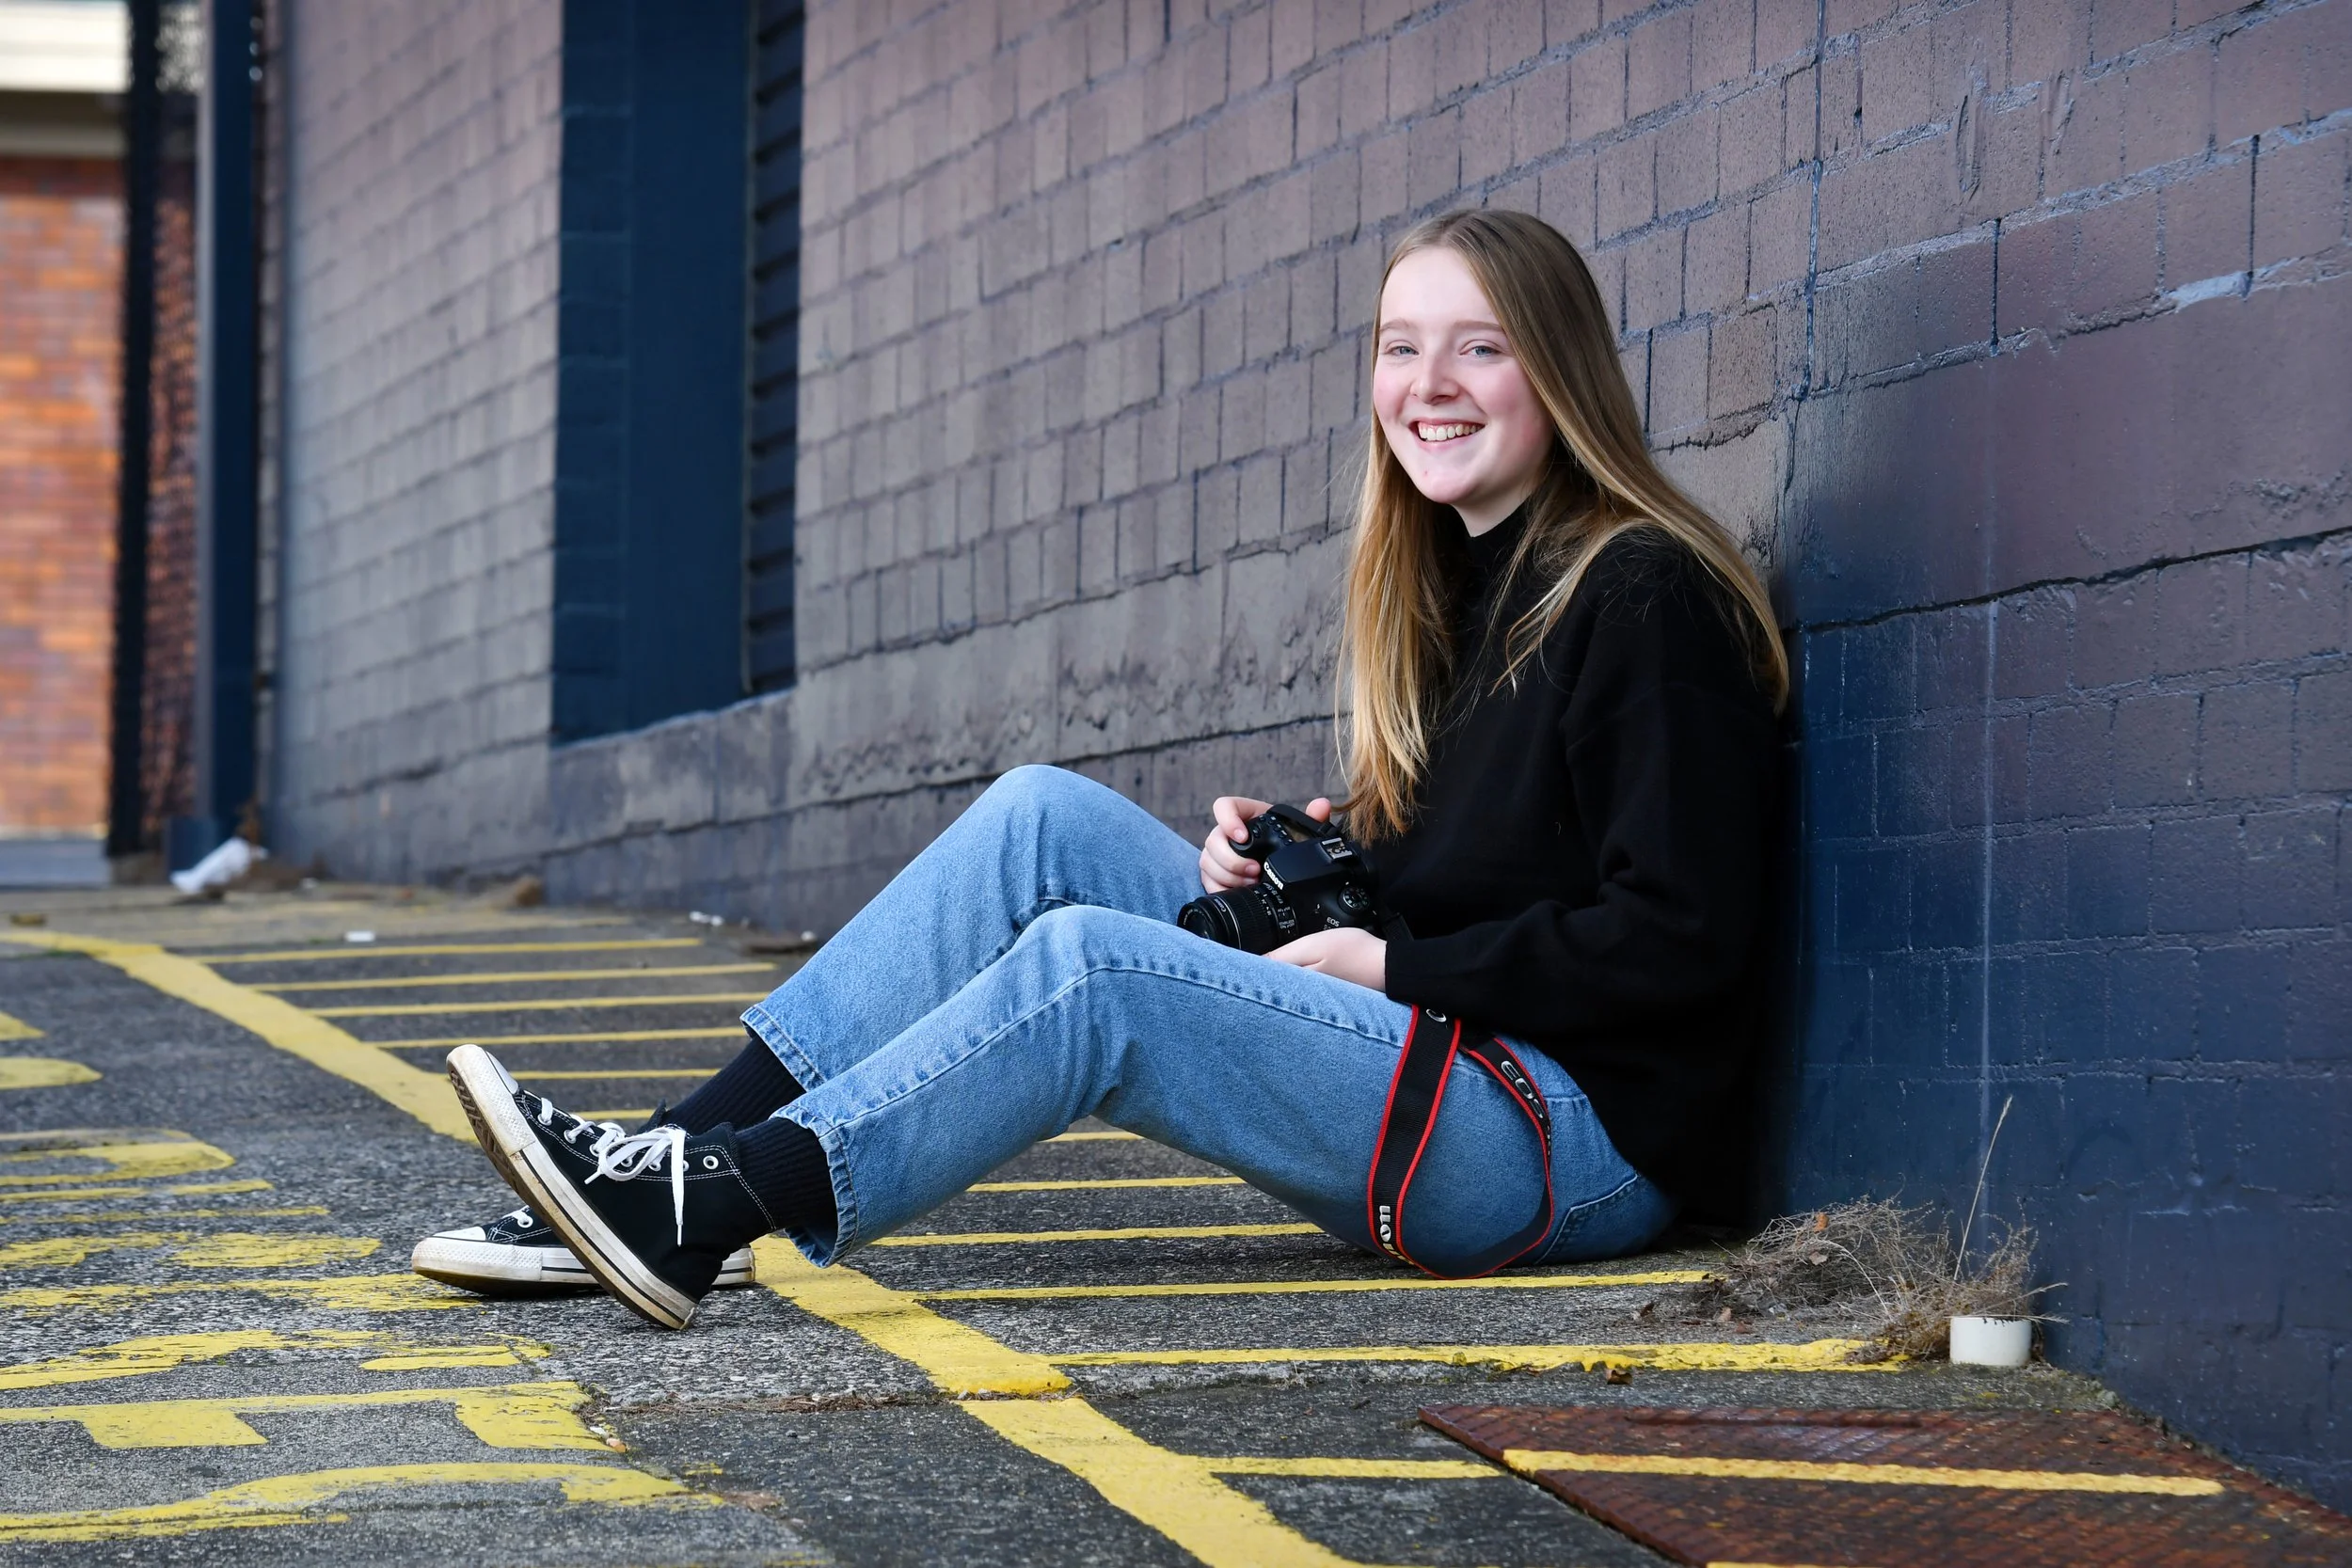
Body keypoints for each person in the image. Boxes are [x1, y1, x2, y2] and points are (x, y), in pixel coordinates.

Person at [417, 209, 1789, 1330]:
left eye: (1478, 350)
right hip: (1454, 1059)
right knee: (1039, 819)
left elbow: (1680, 939)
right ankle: (656, 1159)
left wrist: (1388, 965)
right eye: (1400, 348)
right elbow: (1502, 867)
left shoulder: (1642, 591)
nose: (1427, 389)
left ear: (1561, 371)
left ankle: (717, 1201)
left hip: (1567, 1143)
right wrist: (1319, 866)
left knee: (1098, 968)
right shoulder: (1460, 587)